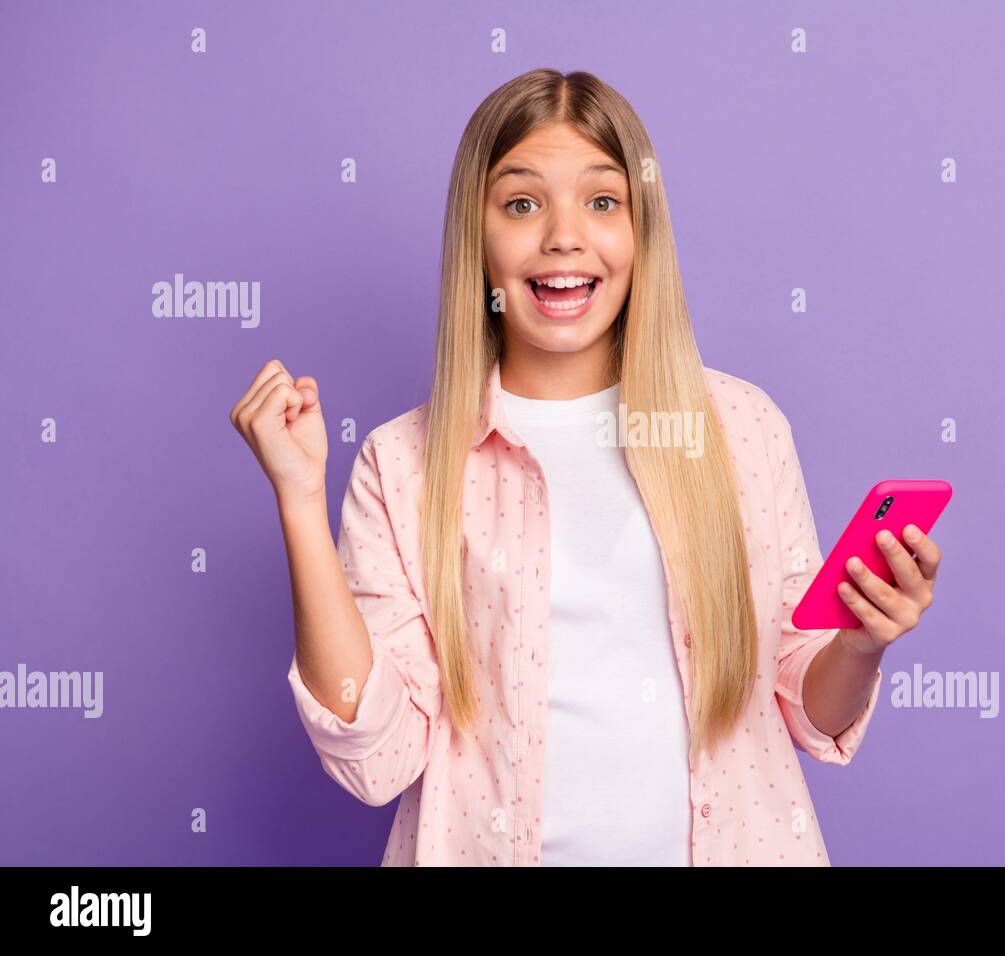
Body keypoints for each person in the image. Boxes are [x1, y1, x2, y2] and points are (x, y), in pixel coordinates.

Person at [229, 67, 942, 866]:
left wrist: (860, 643)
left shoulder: (740, 428)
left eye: (603, 201)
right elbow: (376, 759)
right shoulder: (404, 465)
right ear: (479, 236)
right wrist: (298, 502)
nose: (564, 235)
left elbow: (807, 712)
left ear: (643, 232)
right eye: (523, 202)